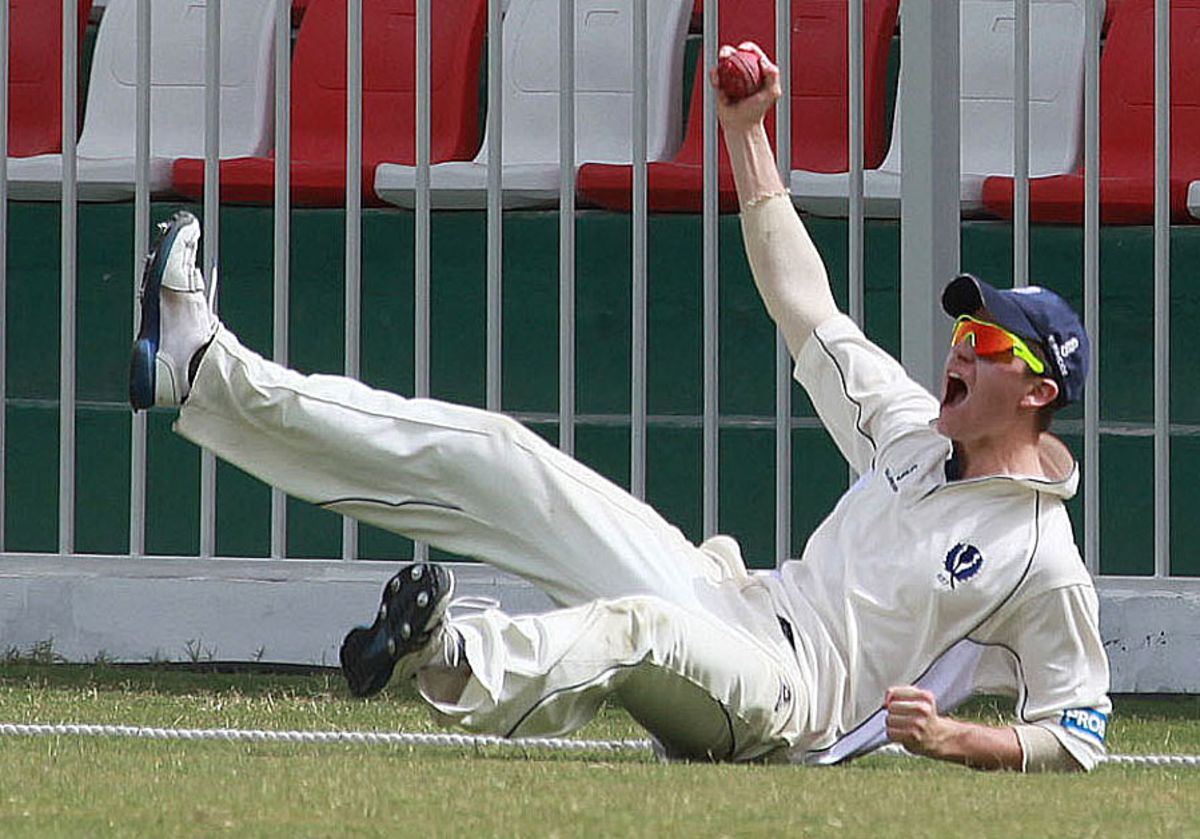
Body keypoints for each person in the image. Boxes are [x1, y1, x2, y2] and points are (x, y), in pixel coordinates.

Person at [127, 43, 1110, 771]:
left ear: (1038, 390)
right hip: (738, 606)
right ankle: (203, 368)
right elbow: (806, 305)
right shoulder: (910, 433)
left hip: (788, 703)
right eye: (961, 330)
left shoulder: (1039, 556)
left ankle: (452, 651)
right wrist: (747, 136)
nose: (957, 349)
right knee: (503, 456)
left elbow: (1080, 726)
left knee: (633, 628)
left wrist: (959, 736)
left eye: (986, 344)